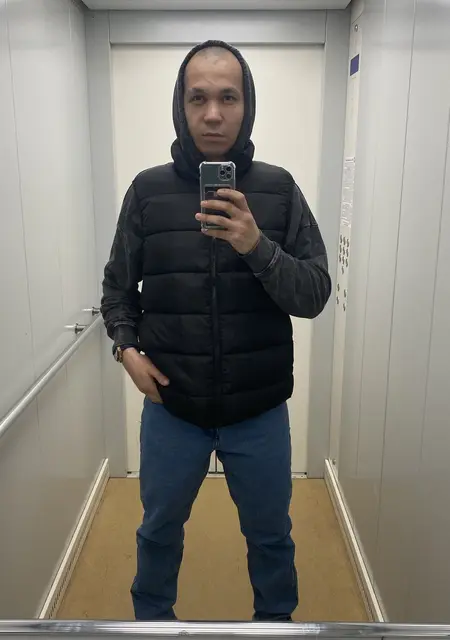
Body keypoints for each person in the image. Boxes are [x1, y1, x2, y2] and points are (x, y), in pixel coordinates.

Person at [101, 40, 331, 622]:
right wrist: (126, 349)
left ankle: (275, 625)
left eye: (228, 98)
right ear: (179, 105)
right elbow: (117, 289)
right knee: (158, 531)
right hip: (172, 406)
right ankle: (152, 624)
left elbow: (313, 294)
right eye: (197, 98)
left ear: (247, 105)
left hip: (258, 410)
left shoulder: (279, 189)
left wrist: (256, 246)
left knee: (271, 535)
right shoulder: (147, 191)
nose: (212, 114)